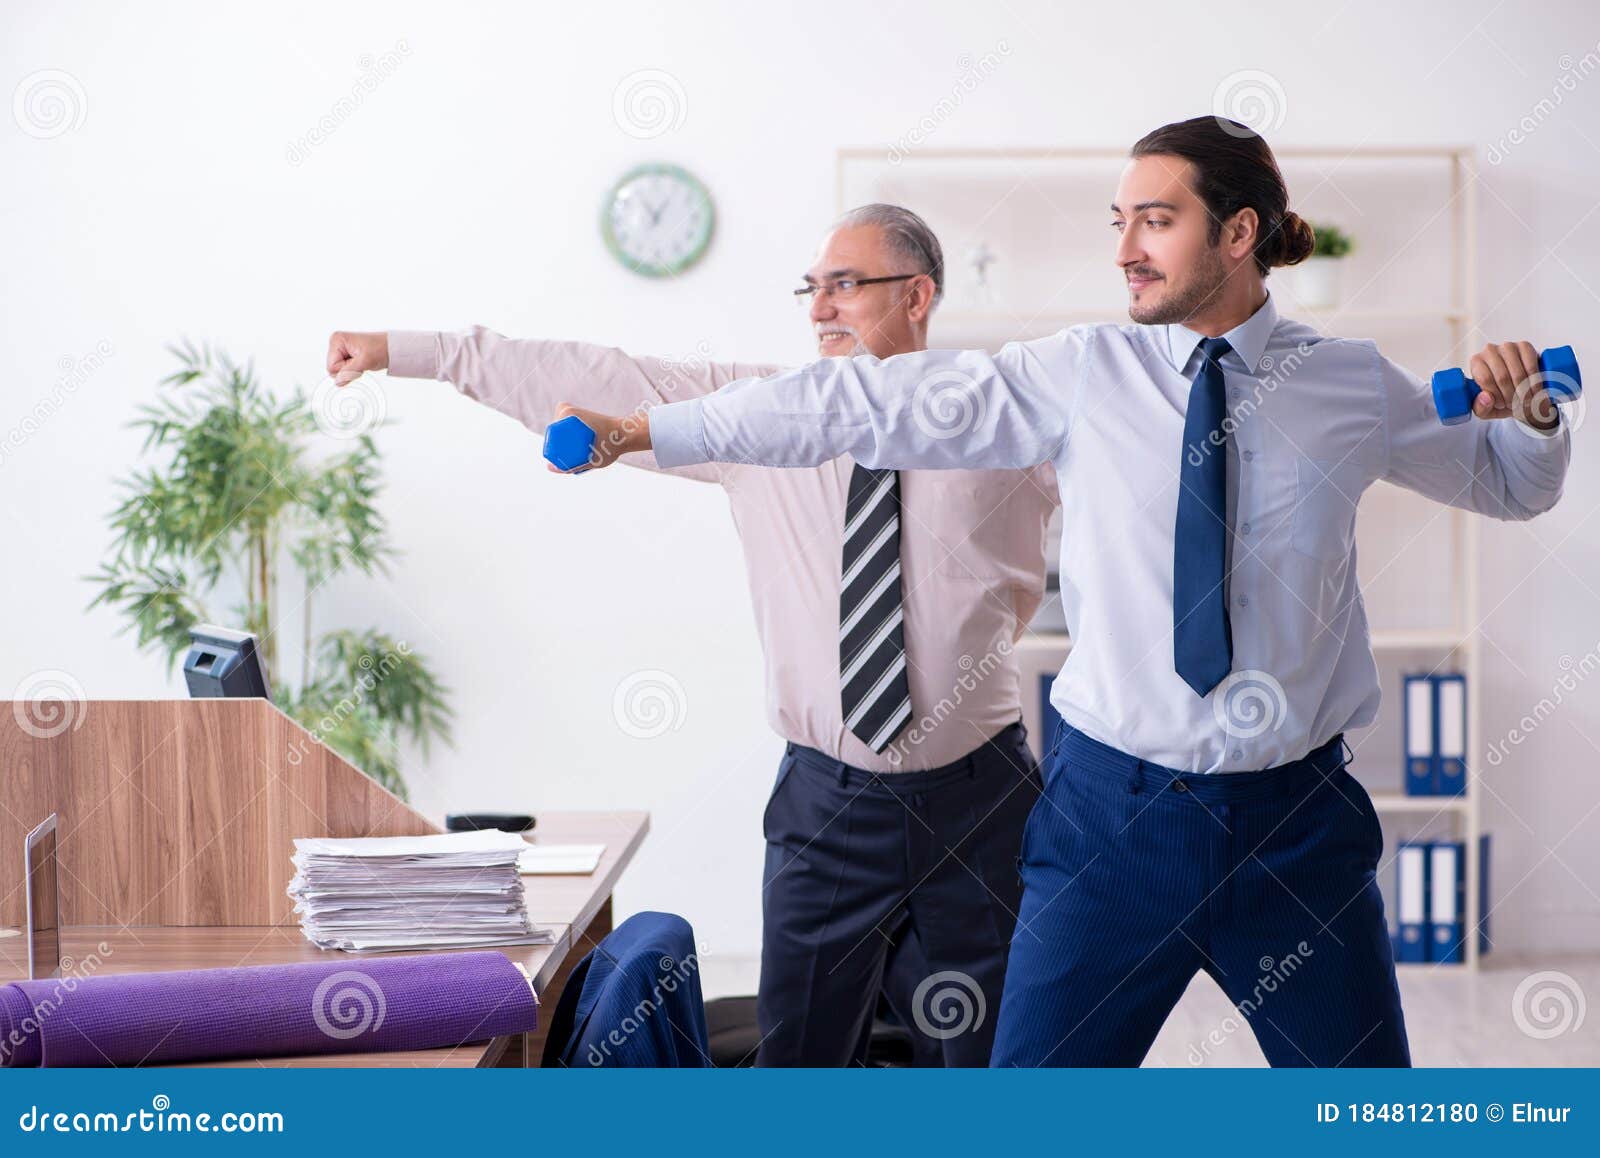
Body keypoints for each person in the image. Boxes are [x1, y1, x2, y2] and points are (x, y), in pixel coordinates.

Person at [548, 117, 1572, 1067]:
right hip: (1109, 829)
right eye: (1118, 222)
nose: (1125, 246)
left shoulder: (1348, 382)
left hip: (1292, 831)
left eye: (1155, 221)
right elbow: (852, 402)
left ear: (1237, 233)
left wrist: (1531, 419)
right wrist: (646, 431)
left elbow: (1506, 488)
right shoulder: (1079, 371)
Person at [325, 204, 1058, 1066]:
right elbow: (601, 373)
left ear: (918, 296)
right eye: (810, 290)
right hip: (829, 804)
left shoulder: (1008, 419)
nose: (820, 308)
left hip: (980, 801)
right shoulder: (760, 418)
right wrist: (415, 352)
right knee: (798, 1062)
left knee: (993, 1059)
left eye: (846, 286)